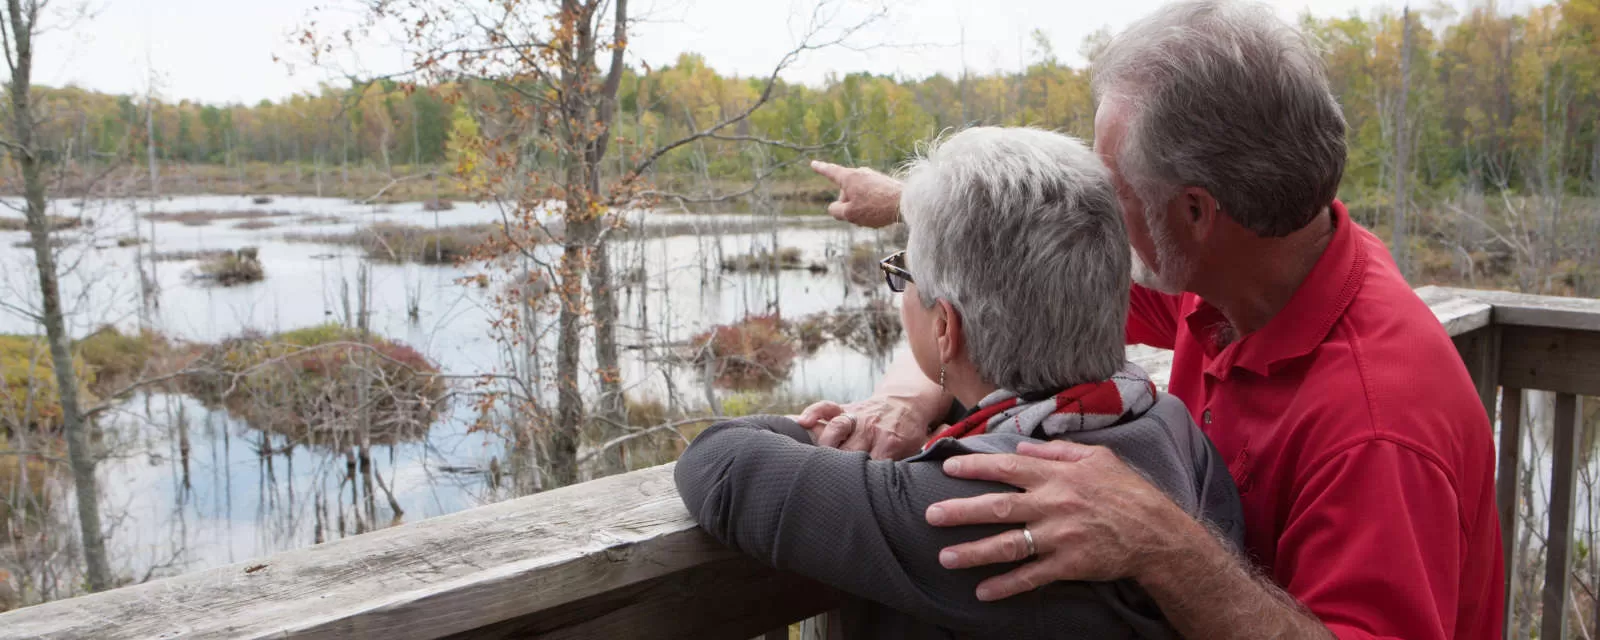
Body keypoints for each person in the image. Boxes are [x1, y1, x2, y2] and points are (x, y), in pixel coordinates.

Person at [801, 2, 1504, 639]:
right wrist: (901, 402)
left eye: (1110, 187)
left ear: (1194, 213)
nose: (1092, 211)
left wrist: (1164, 544)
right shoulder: (1236, 280)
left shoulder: (1380, 424)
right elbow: (992, 299)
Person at [674, 127, 1243, 638]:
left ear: (946, 327)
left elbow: (719, 463)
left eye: (904, 276)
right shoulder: (1171, 426)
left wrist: (815, 440)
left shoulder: (966, 506)